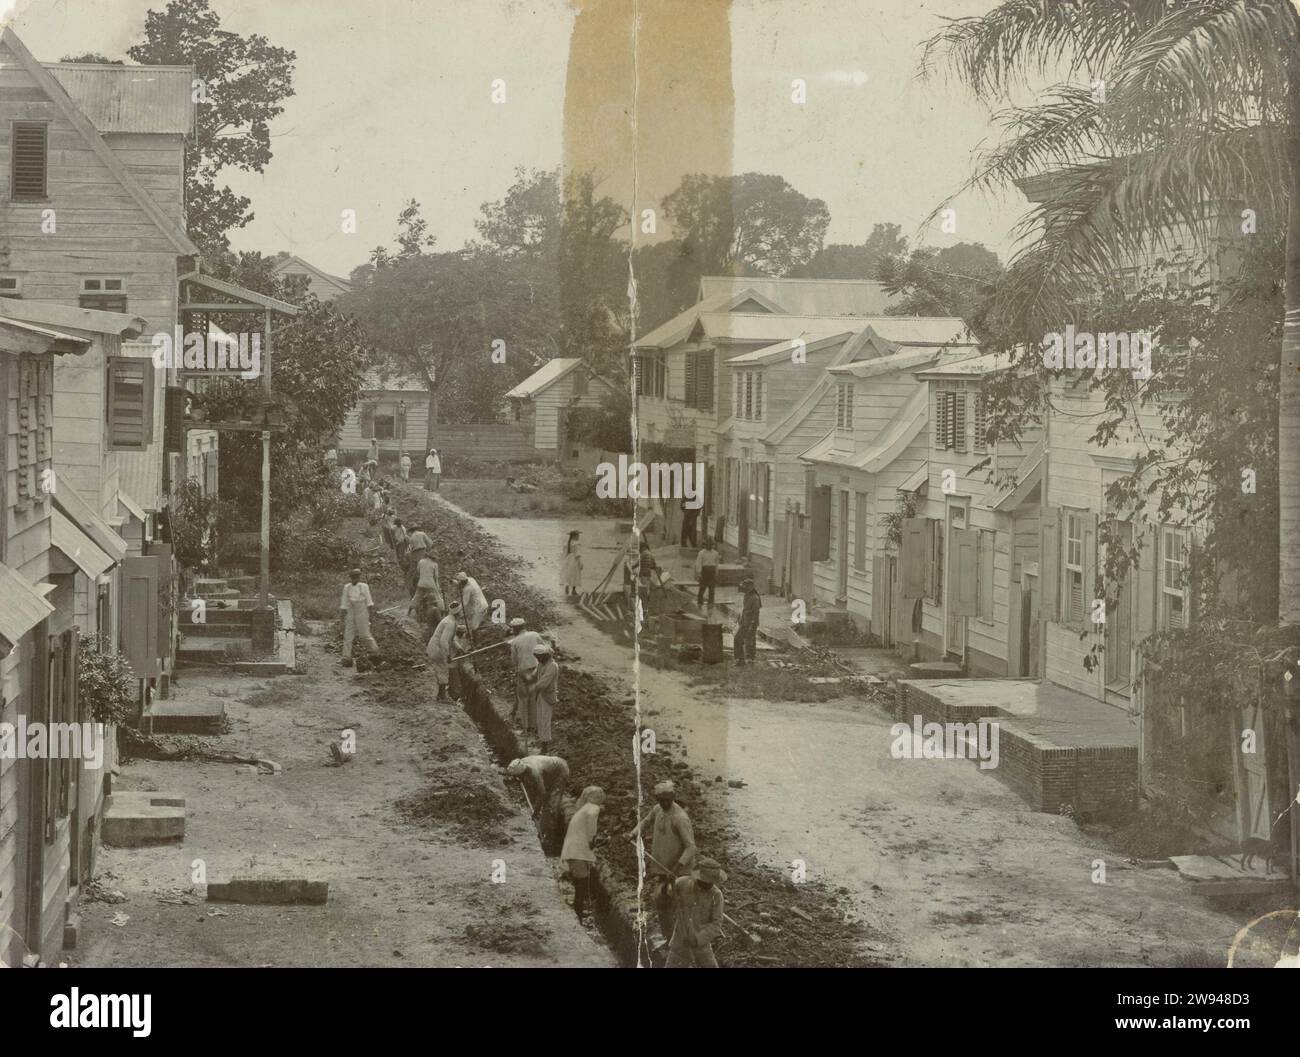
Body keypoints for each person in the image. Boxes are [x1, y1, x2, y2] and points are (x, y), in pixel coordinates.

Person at [627, 779, 697, 939]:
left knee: (675, 906)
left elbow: (691, 847)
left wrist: (676, 868)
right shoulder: (657, 809)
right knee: (662, 903)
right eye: (661, 800)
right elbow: (645, 821)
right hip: (663, 870)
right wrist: (632, 833)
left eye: (667, 799)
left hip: (678, 873)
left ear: (673, 797)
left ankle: (678, 941)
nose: (664, 803)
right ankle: (669, 938)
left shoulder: (679, 818)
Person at [666, 858, 727, 968]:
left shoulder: (716, 895)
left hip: (701, 946)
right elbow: (667, 896)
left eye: (710, 883)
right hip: (679, 943)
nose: (706, 885)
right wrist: (668, 884)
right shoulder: (683, 883)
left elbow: (716, 924)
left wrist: (697, 938)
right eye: (704, 882)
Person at [561, 785, 605, 923]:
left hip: (574, 849)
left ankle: (580, 912)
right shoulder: (593, 808)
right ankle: (578, 916)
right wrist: (592, 839)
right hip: (577, 851)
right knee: (581, 885)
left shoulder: (584, 808)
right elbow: (592, 822)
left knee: (582, 883)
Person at [506, 754, 568, 847]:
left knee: (551, 805)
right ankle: (544, 827)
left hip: (560, 770)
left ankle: (551, 838)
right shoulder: (520, 763)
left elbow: (542, 793)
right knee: (543, 796)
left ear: (523, 772)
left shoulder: (535, 772)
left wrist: (536, 810)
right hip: (549, 771)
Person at [339, 567, 378, 668]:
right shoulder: (347, 587)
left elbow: (369, 602)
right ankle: (346, 657)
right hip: (351, 611)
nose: (356, 578)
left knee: (364, 634)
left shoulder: (364, 586)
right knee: (348, 635)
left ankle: (375, 652)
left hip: (362, 610)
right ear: (351, 578)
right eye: (354, 577)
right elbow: (344, 603)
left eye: (358, 576)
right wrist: (342, 617)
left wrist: (371, 616)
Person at [508, 617, 543, 729]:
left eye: (513, 629)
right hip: (537, 668)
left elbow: (514, 660)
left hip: (524, 671)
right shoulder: (535, 635)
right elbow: (543, 648)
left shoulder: (515, 642)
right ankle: (535, 725)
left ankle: (526, 727)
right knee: (534, 697)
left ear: (516, 629)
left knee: (523, 698)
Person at [426, 603, 462, 702]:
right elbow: (443, 640)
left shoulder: (450, 620)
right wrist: (447, 654)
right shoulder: (450, 623)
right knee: (443, 670)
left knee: (441, 670)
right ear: (458, 613)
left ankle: (440, 695)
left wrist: (459, 648)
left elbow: (452, 638)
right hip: (437, 649)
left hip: (435, 647)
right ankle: (442, 697)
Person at [528, 641, 558, 754]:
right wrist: (529, 678)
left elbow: (544, 683)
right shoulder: (541, 663)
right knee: (540, 719)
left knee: (545, 720)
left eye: (539, 657)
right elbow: (535, 674)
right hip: (541, 694)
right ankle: (542, 741)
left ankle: (545, 747)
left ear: (544, 656)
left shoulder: (552, 666)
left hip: (548, 695)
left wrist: (532, 688)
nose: (538, 659)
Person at [410, 551, 445, 637]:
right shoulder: (434, 564)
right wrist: (438, 588)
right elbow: (436, 578)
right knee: (437, 597)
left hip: (421, 583)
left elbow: (418, 572)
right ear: (433, 558)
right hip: (430, 583)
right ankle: (442, 611)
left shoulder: (421, 561)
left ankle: (409, 611)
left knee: (416, 597)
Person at [454, 571, 488, 644]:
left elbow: (464, 603)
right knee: (471, 622)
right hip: (481, 603)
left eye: (460, 582)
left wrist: (455, 611)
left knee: (474, 626)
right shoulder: (471, 579)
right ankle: (472, 637)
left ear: (463, 582)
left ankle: (476, 643)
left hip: (479, 607)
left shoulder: (468, 589)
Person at [735, 578, 761, 665]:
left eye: (745, 586)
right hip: (745, 622)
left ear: (750, 587)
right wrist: (740, 619)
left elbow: (756, 613)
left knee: (749, 641)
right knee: (738, 639)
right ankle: (740, 660)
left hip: (751, 623)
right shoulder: (746, 596)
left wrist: (752, 625)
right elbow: (745, 610)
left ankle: (750, 660)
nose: (743, 588)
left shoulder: (755, 598)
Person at [695, 538, 720, 609]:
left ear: (712, 545)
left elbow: (717, 564)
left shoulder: (716, 553)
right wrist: (699, 572)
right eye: (707, 545)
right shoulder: (701, 553)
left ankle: (710, 604)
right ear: (705, 545)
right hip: (704, 572)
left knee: (712, 589)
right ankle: (700, 603)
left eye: (710, 545)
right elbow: (698, 563)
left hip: (712, 572)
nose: (709, 547)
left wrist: (716, 572)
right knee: (702, 588)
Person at [561, 530, 583, 596]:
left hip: (568, 559)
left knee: (568, 574)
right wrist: (580, 563)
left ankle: (566, 588)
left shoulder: (567, 543)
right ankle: (573, 590)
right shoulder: (576, 543)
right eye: (578, 535)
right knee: (575, 574)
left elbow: (564, 553)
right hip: (574, 560)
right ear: (574, 536)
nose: (579, 536)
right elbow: (577, 554)